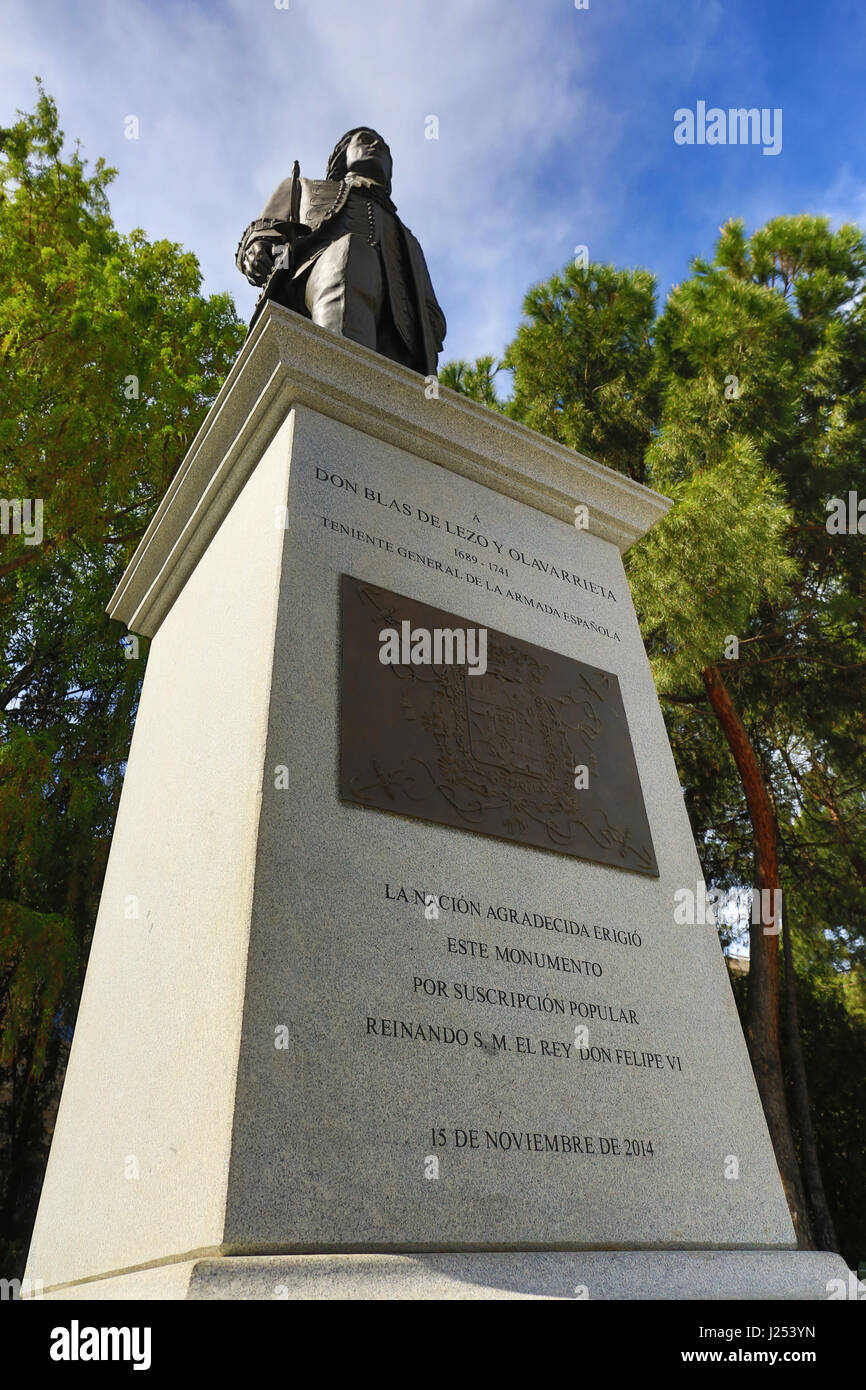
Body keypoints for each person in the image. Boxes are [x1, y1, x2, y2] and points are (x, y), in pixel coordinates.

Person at [236, 127, 446, 375]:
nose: (376, 146)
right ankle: (337, 382)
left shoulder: (409, 238)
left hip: (398, 325)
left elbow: (430, 308)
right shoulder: (306, 187)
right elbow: (263, 233)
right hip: (308, 288)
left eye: (385, 149)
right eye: (366, 140)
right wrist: (257, 250)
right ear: (343, 155)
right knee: (352, 253)